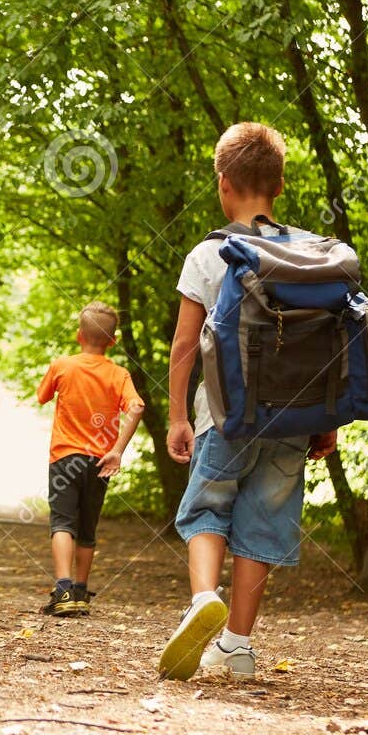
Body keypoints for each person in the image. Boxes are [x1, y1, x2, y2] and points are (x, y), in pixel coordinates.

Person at [160, 122, 337, 681]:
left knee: (207, 509)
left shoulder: (208, 254)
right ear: (279, 186)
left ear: (223, 183)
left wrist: (178, 415)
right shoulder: (311, 253)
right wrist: (326, 418)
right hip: (292, 417)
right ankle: (237, 646)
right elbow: (327, 345)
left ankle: (202, 600)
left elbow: (185, 344)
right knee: (262, 522)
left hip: (226, 414)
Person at [35, 303, 145, 617]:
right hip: (100, 461)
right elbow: (137, 407)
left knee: (62, 524)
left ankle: (63, 590)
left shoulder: (62, 365)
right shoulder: (119, 374)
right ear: (113, 341)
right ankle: (81, 593)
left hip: (64, 457)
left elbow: (42, 396)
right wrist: (117, 450)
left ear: (78, 335)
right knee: (87, 527)